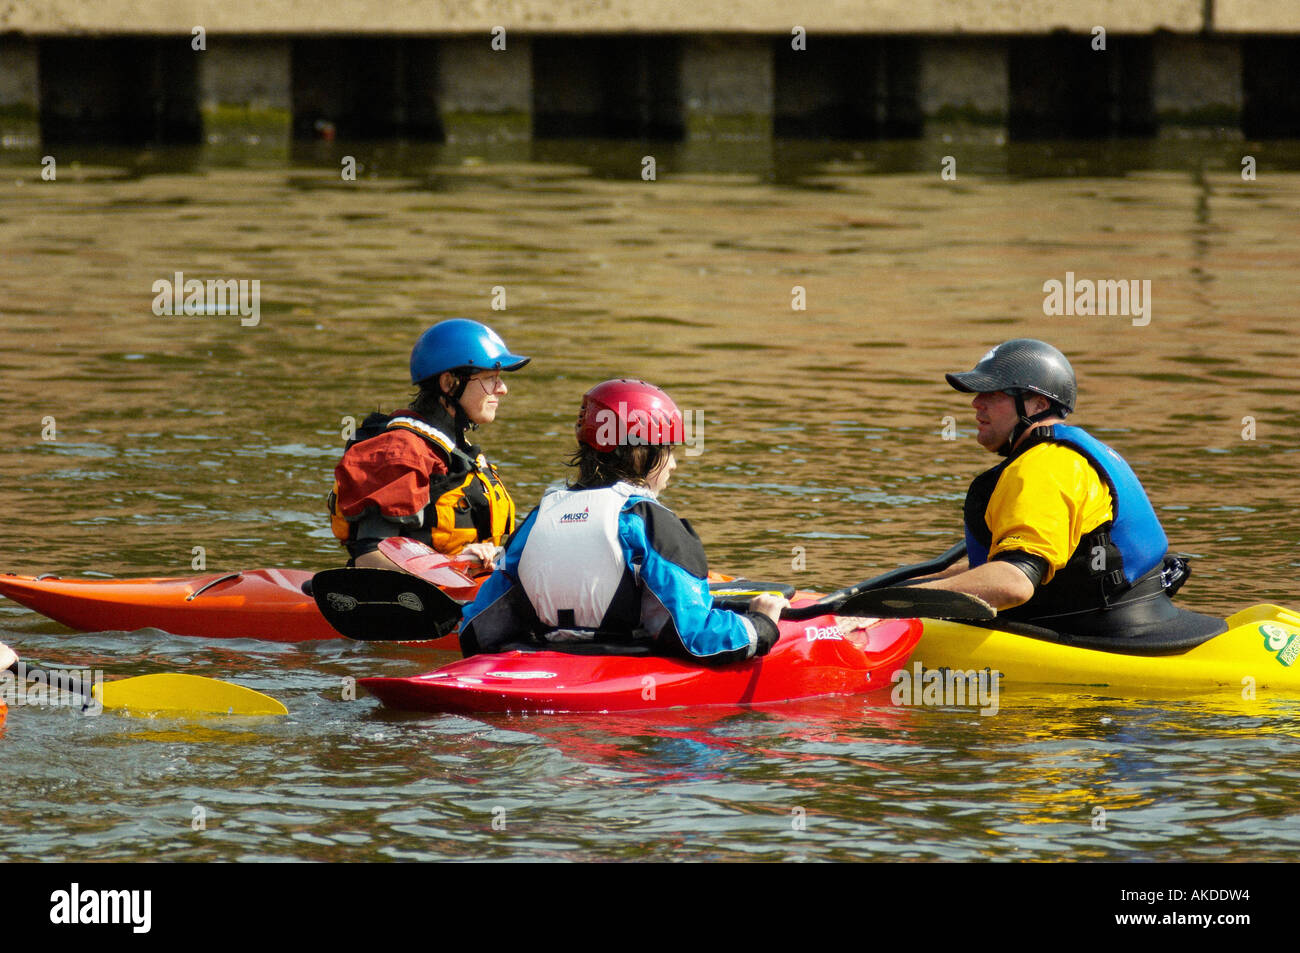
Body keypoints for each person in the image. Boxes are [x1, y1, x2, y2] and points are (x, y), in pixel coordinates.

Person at [460, 379, 788, 663]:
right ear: (640, 453)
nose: (673, 464)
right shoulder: (650, 521)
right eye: (668, 450)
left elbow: (475, 632)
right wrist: (760, 625)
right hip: (622, 670)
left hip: (539, 664)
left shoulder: (537, 519)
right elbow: (693, 638)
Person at [915, 338, 1216, 640]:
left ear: (1038, 404)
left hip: (1104, 640)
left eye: (994, 393)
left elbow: (1012, 583)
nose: (976, 403)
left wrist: (897, 610)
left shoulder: (1042, 467)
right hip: (1140, 621)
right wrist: (903, 591)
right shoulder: (1070, 452)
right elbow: (1019, 563)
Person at [328, 319, 528, 571]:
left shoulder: (453, 448)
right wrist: (454, 564)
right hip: (410, 600)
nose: (502, 389)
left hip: (467, 587)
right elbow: (369, 559)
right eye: (490, 378)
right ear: (448, 384)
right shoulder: (398, 452)